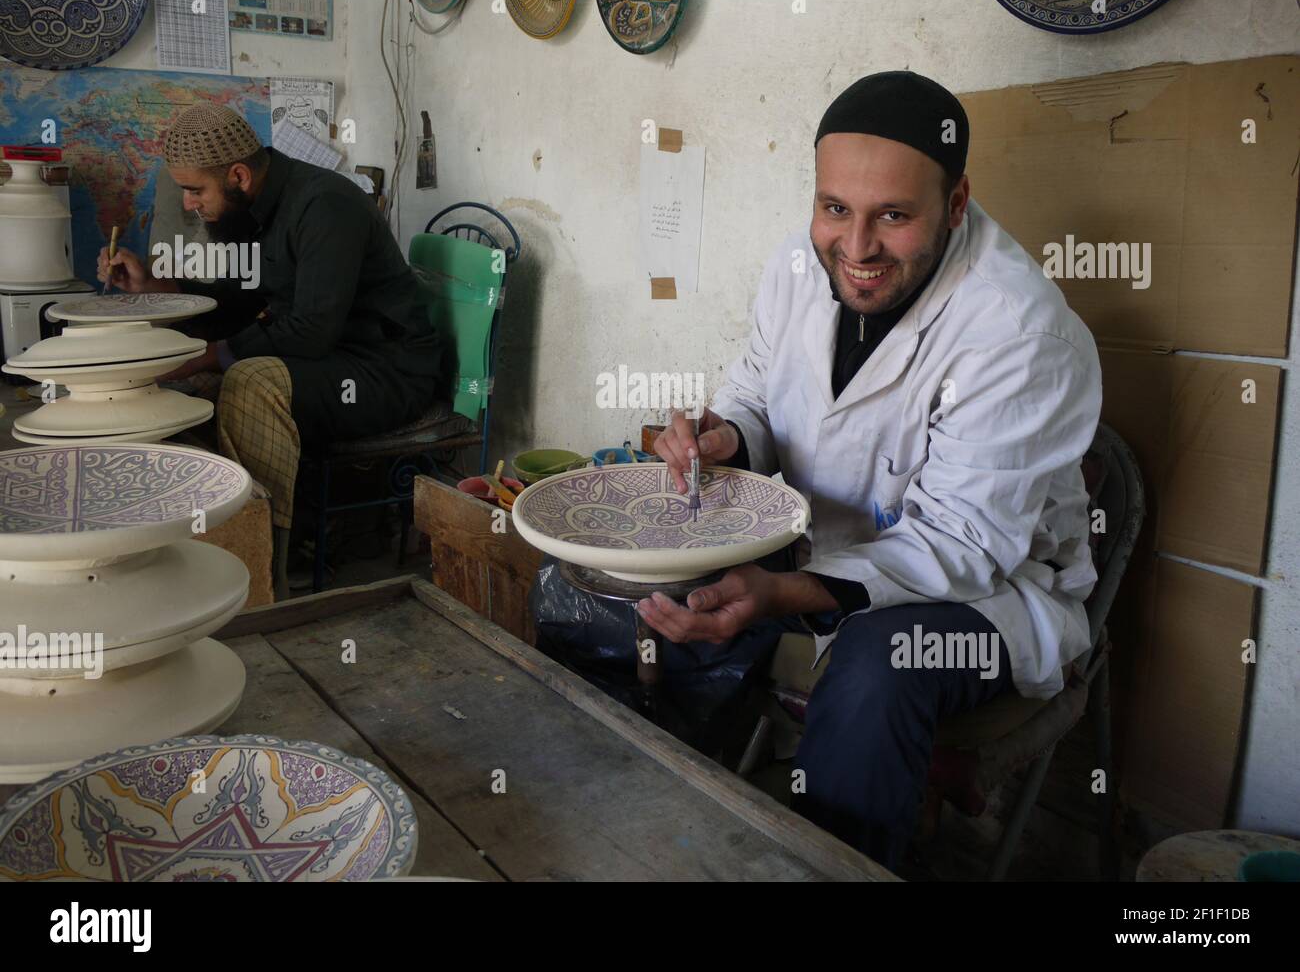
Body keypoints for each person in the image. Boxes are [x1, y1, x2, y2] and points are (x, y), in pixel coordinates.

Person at [535, 70, 1102, 870]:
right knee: (590, 585)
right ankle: (648, 827)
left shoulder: (1016, 330)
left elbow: (966, 546)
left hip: (989, 593)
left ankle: (832, 863)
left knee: (879, 666)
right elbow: (756, 398)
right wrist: (726, 435)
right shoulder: (799, 271)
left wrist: (782, 593)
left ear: (957, 201)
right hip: (816, 544)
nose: (857, 246)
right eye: (835, 207)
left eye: (893, 216)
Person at [98, 102, 446, 595]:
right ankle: (216, 541)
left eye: (196, 190)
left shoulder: (326, 204)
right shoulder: (260, 208)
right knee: (201, 382)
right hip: (332, 357)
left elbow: (310, 329)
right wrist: (158, 289)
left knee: (246, 378)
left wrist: (208, 354)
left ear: (238, 175)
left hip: (385, 370)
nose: (191, 204)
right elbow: (249, 300)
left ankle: (263, 574)